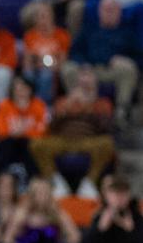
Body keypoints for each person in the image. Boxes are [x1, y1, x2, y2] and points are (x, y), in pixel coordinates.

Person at [29, 69, 115, 199]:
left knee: (107, 144)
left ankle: (89, 182)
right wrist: (65, 110)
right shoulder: (62, 102)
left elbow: (105, 128)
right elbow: (51, 127)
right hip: (62, 140)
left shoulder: (102, 103)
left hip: (88, 141)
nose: (84, 86)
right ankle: (55, 181)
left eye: (88, 82)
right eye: (81, 82)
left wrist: (89, 107)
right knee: (36, 144)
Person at [0, 177, 79, 243]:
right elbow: (7, 240)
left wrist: (61, 242)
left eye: (45, 192)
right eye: (38, 192)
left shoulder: (57, 212)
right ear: (32, 194)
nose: (41, 196)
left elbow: (75, 237)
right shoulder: (23, 212)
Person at [0, 75, 48, 175]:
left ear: (30, 90)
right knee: (4, 145)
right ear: (12, 90)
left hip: (30, 141)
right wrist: (12, 133)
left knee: (32, 145)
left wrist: (25, 132)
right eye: (17, 89)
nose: (20, 92)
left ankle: (32, 178)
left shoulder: (39, 105)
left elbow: (43, 129)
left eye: (24, 89)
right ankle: (4, 176)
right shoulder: (4, 105)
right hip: (9, 140)